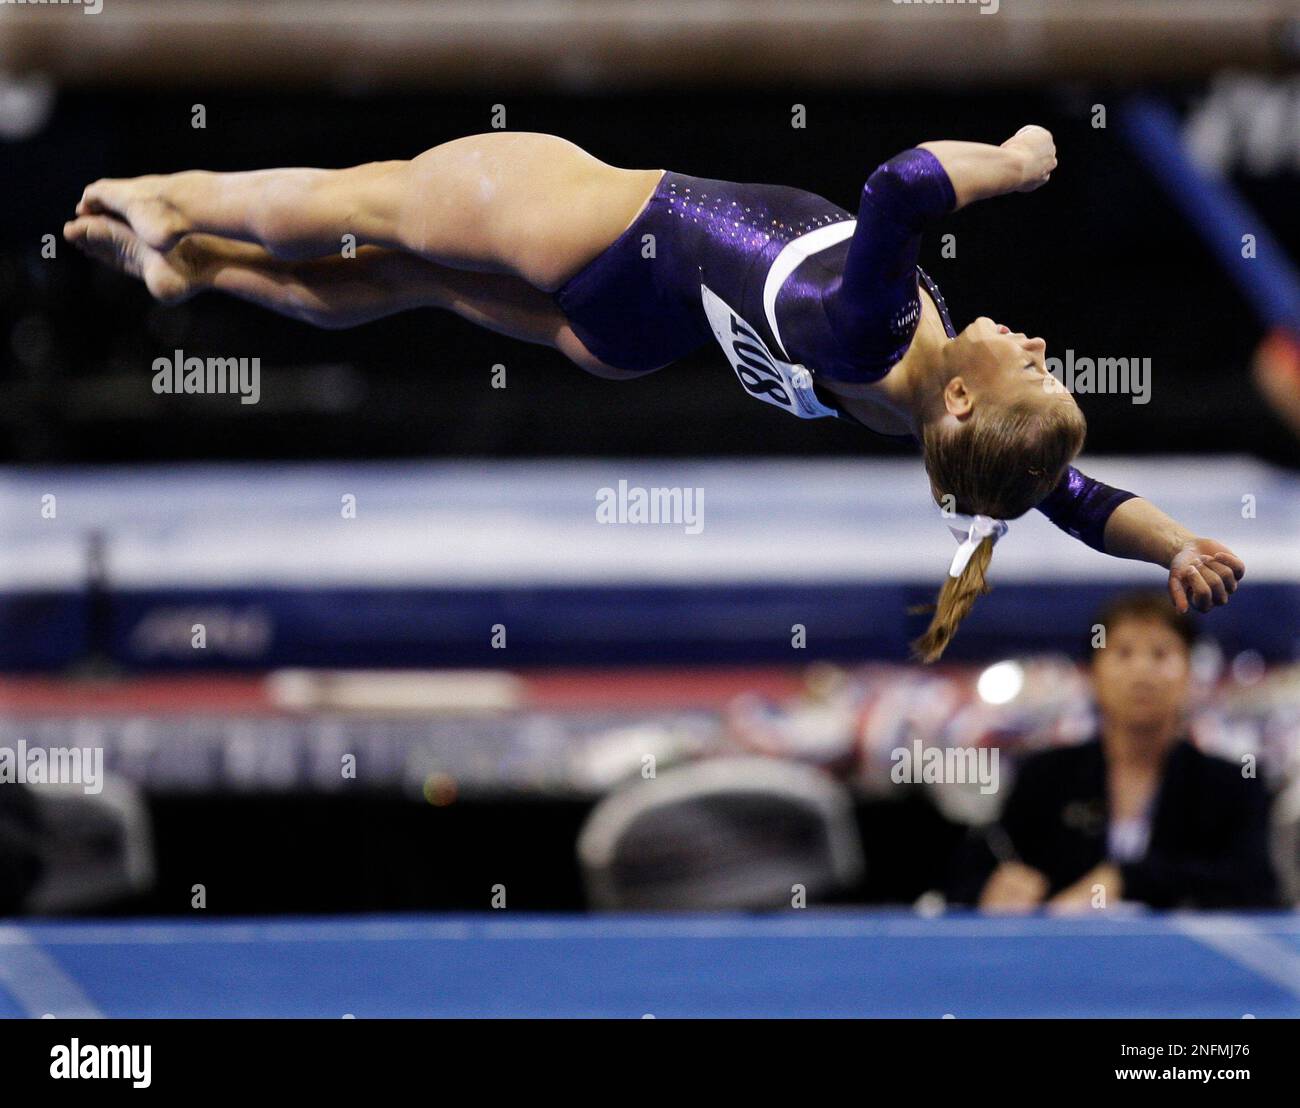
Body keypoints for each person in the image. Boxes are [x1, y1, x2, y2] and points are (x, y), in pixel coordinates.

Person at [63, 128, 1244, 659]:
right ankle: (199, 267)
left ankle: (178, 199)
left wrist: (1017, 161)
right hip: (630, 332)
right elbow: (1068, 496)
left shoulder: (875, 326)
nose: (1035, 341)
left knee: (362, 202)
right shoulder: (935, 422)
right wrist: (1174, 544)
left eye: (1031, 365)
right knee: (402, 283)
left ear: (963, 409)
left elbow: (897, 187)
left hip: (611, 227)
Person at [950, 592, 1277, 911]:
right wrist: (992, 888)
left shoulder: (1232, 787)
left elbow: (1256, 888)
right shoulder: (1045, 776)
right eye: (1123, 653)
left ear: (1190, 675)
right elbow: (976, 868)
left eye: (1161, 654)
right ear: (1094, 673)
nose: (1142, 672)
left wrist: (1126, 880)